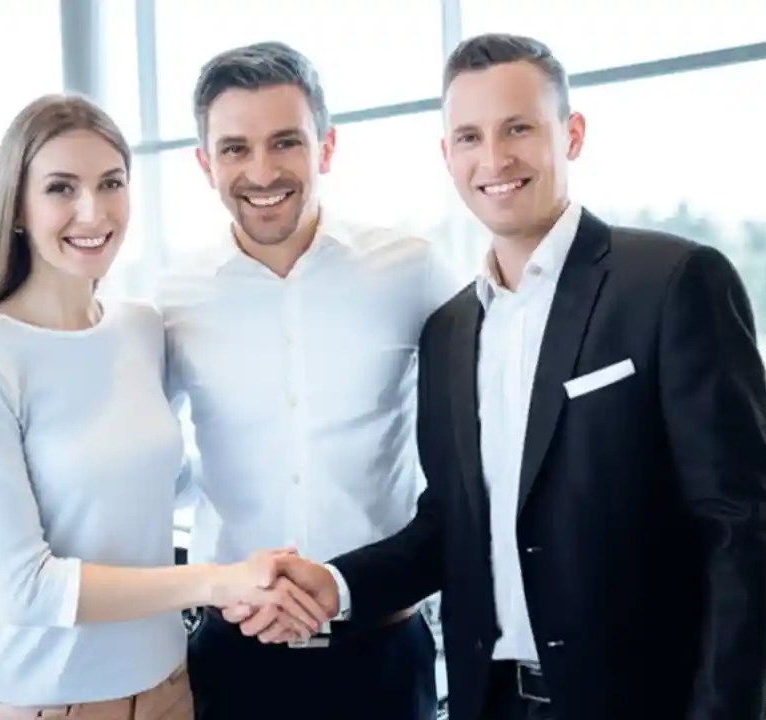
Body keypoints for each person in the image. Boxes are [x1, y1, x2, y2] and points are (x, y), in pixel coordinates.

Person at [235, 33, 766, 720]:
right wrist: (336, 584)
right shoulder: (448, 331)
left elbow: (742, 524)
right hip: (488, 700)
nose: (494, 159)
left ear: (572, 133)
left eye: (518, 129)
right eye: (469, 137)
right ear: (447, 155)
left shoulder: (672, 282)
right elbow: (452, 525)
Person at [0, 94, 325, 720]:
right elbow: (26, 588)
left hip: (168, 688)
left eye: (110, 183)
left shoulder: (141, 328)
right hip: (46, 702)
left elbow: (166, 485)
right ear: (18, 208)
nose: (93, 211)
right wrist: (217, 579)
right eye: (61, 188)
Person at [156, 42, 459, 720]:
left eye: (285, 141)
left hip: (382, 656)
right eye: (235, 149)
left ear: (326, 147)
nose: (261, 171)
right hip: (231, 661)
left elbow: (481, 437)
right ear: (205, 164)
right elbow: (142, 464)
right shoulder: (174, 300)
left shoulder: (412, 272)